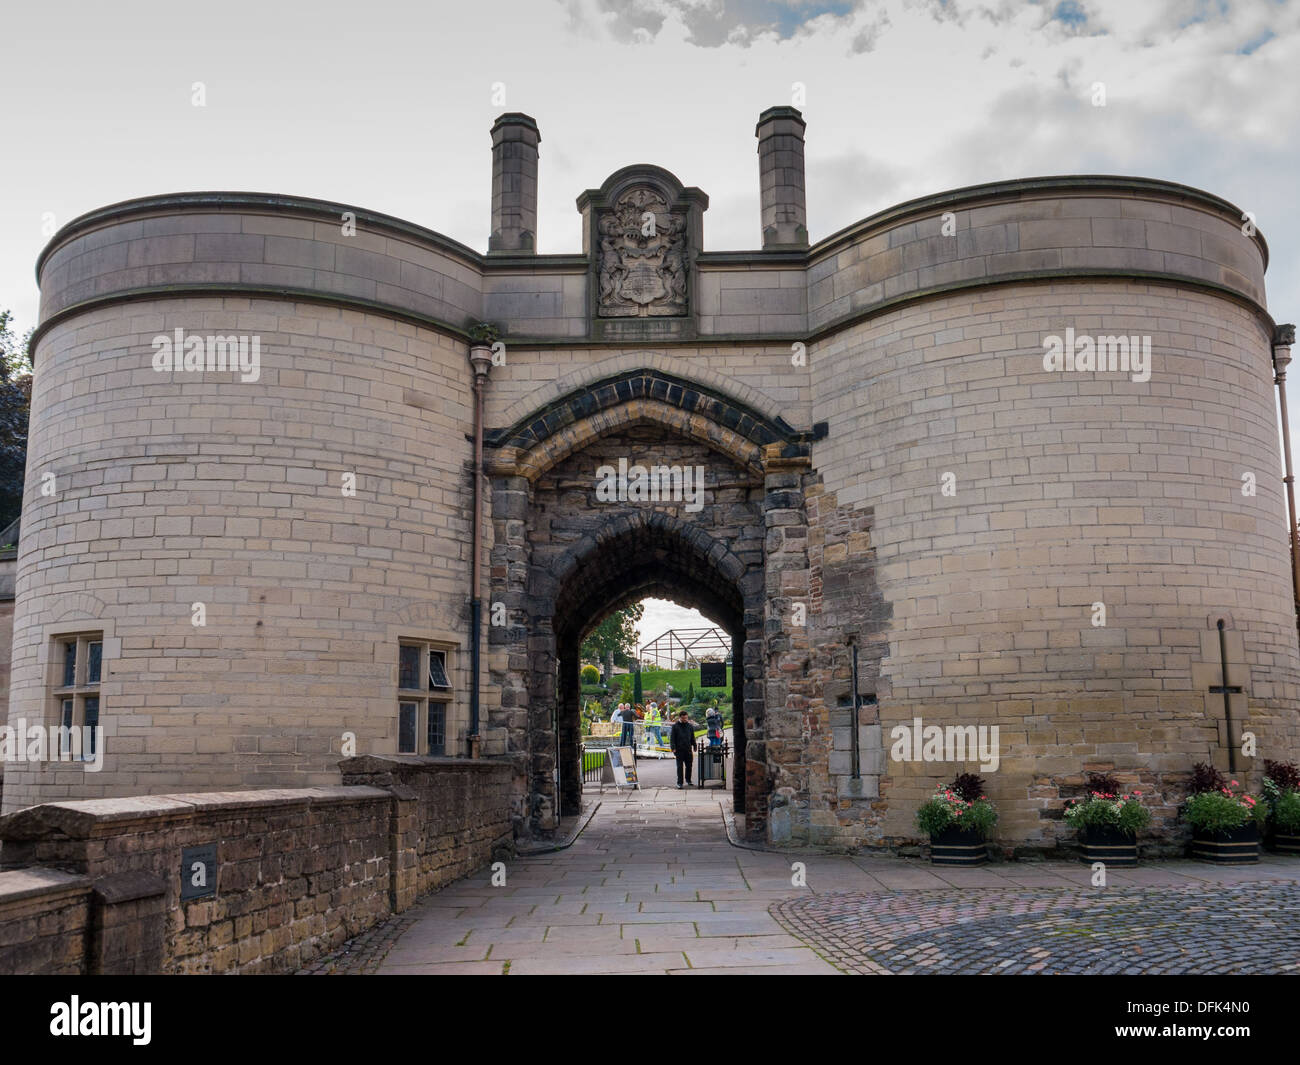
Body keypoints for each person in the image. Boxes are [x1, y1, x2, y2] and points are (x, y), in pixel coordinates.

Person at [670, 709, 699, 789]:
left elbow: (692, 737)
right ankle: (680, 783)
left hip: (688, 749)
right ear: (680, 718)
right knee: (680, 767)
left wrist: (695, 745)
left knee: (689, 766)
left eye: (686, 718)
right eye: (683, 718)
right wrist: (673, 748)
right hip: (679, 750)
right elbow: (672, 738)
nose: (685, 720)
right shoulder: (675, 726)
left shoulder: (690, 726)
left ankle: (688, 780)